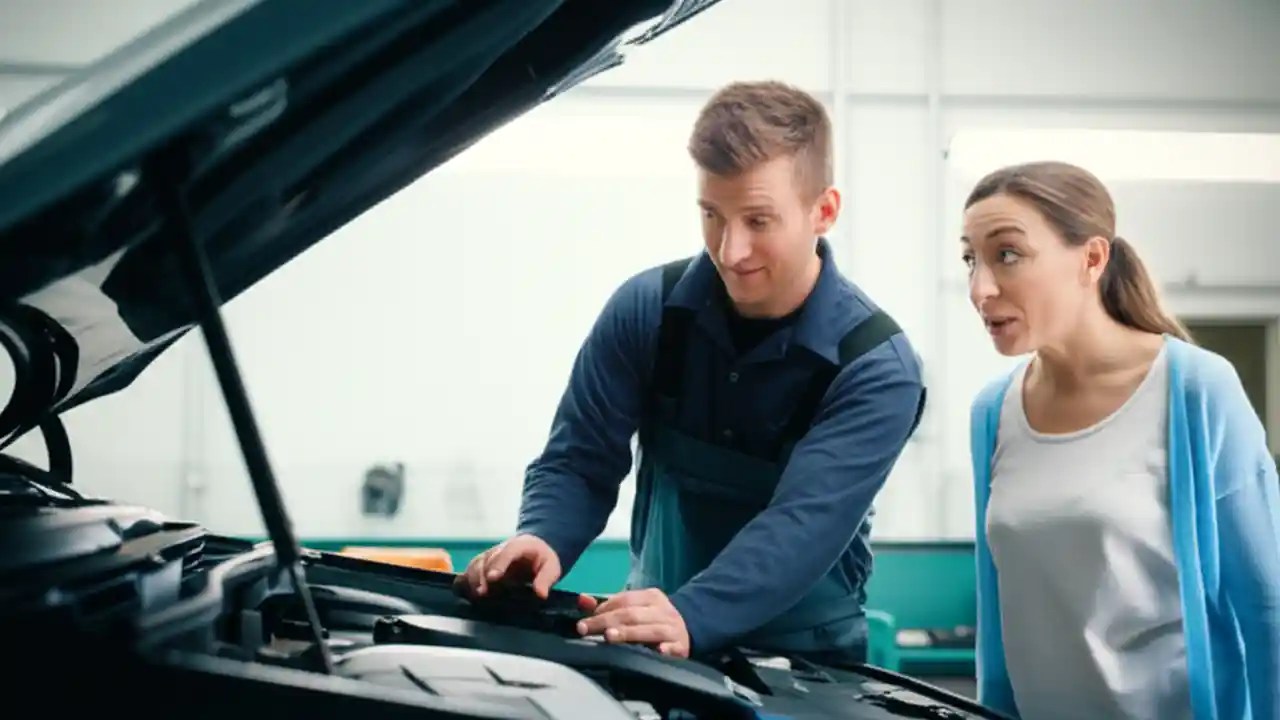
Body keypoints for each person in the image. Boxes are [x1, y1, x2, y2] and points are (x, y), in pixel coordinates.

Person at [454, 80, 927, 664]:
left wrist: (693, 615)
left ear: (823, 211)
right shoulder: (645, 312)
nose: (731, 251)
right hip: (651, 634)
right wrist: (543, 535)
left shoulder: (876, 368)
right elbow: (581, 457)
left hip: (804, 662)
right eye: (712, 215)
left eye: (759, 220)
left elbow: (803, 525)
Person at [962, 160, 1280, 720]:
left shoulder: (1195, 389)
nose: (981, 288)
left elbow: (1266, 606)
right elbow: (998, 615)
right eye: (971, 259)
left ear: (1092, 259)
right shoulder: (993, 411)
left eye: (1007, 255)